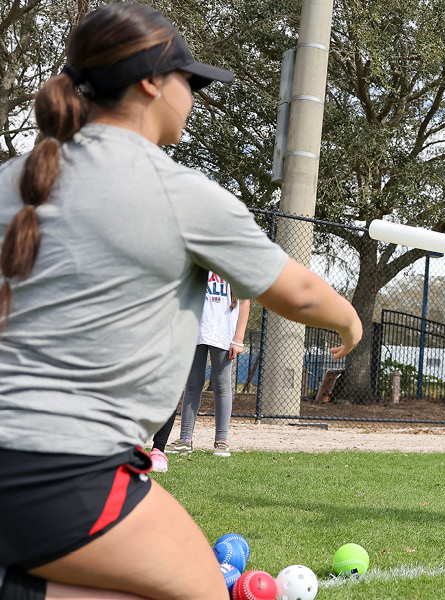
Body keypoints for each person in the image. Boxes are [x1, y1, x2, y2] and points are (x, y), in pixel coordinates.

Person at [0, 4, 362, 599]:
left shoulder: (14, 178)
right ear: (151, 83)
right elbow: (297, 292)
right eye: (188, 82)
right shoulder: (177, 191)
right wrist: (348, 320)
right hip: (66, 470)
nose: (193, 97)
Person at [149, 272, 250, 471]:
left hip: (223, 334)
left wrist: (238, 339)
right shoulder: (198, 263)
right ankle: (185, 440)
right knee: (192, 385)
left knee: (222, 386)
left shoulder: (234, 266)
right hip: (195, 332)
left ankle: (221, 441)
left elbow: (245, 302)